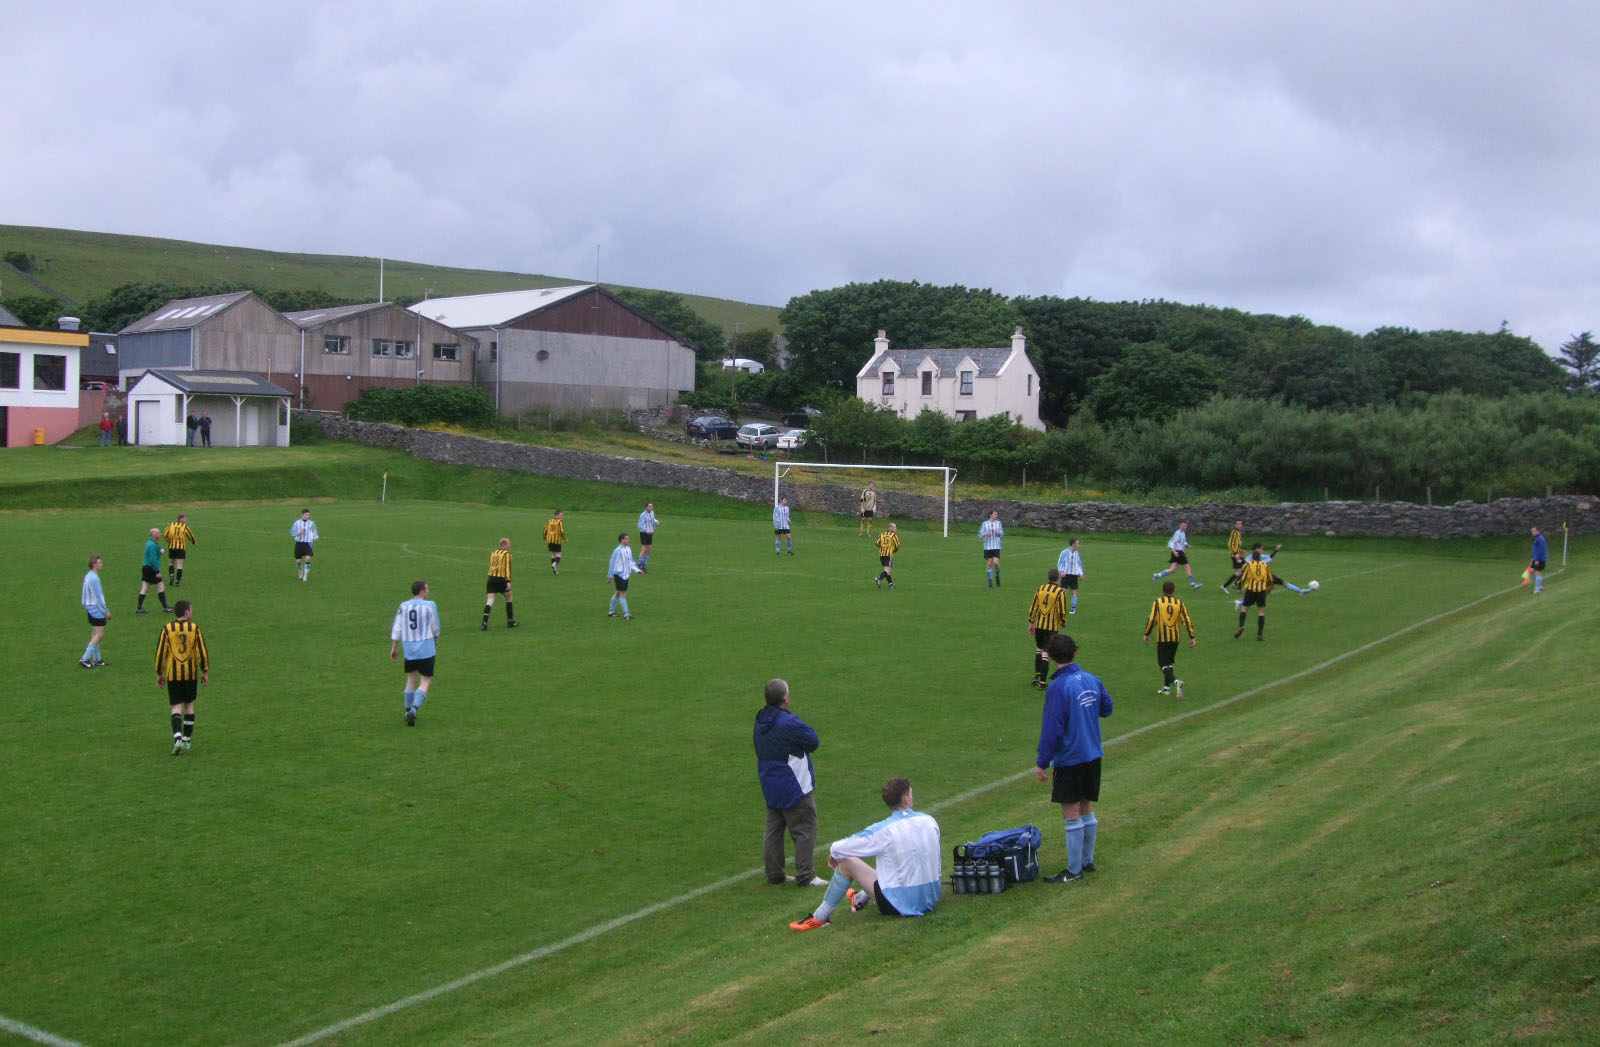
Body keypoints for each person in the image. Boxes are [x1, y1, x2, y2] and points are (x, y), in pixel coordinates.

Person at [789, 776, 942, 931]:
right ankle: (859, 899)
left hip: (900, 904)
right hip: (932, 897)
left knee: (847, 862)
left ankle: (820, 917)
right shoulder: (930, 821)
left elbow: (838, 848)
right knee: (894, 865)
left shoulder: (884, 831)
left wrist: (835, 855)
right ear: (907, 799)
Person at [1034, 633, 1113, 883]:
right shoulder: (1091, 679)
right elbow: (1107, 708)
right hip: (1093, 754)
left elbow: (1053, 727)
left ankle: (1073, 870)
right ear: (1075, 654)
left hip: (1070, 757)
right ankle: (1087, 862)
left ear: (1050, 656)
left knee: (1071, 813)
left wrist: (1042, 761)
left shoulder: (1058, 687)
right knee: (1086, 807)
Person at [754, 678, 826, 888]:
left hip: (770, 781)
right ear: (786, 698)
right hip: (793, 783)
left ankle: (774, 873)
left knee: (774, 829)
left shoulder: (760, 720)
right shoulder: (788, 722)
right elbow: (813, 741)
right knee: (805, 826)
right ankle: (806, 874)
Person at [155, 599, 209, 755]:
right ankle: (186, 739)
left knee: (176, 707)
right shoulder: (194, 629)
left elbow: (160, 654)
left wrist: (160, 674)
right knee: (189, 706)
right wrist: (205, 671)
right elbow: (202, 652)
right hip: (190, 674)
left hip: (173, 674)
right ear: (187, 612)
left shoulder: (167, 629)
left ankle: (177, 737)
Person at [390, 580, 441, 727]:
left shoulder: (403, 606)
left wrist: (394, 647)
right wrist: (436, 638)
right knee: (425, 679)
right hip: (426, 646)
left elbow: (397, 628)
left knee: (411, 678)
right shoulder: (430, 605)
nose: (428, 591)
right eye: (427, 588)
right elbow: (435, 625)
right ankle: (413, 709)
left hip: (409, 648)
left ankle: (407, 711)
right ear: (422, 591)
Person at [1144, 581, 1196, 698]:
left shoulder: (1158, 602)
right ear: (1174, 591)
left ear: (1163, 591)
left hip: (1163, 638)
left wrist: (1147, 633)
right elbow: (1186, 620)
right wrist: (1192, 637)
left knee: (1162, 663)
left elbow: (1152, 619)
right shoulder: (1179, 603)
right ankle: (1166, 688)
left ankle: (1176, 682)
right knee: (1169, 662)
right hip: (1175, 638)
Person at [1027, 568, 1068, 688]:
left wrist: (1031, 622)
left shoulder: (1040, 589)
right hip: (1051, 628)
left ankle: (1037, 675)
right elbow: (1062, 610)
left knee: (1039, 649)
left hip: (1039, 626)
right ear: (1058, 579)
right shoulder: (1060, 592)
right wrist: (1063, 622)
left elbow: (1034, 606)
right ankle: (1043, 682)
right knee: (1046, 653)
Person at [1234, 544, 1277, 640]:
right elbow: (1270, 579)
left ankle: (1241, 626)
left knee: (1244, 608)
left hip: (1250, 590)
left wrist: (1239, 587)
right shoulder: (1265, 566)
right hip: (1261, 590)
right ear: (1260, 558)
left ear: (1252, 558)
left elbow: (1243, 577)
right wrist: (1269, 589)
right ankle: (1259, 635)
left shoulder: (1248, 565)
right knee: (1261, 611)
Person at [80, 555, 111, 668]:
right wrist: (106, 611)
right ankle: (85, 658)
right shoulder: (94, 578)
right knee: (99, 634)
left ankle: (97, 659)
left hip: (90, 608)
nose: (101, 564)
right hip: (95, 609)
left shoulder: (89, 576)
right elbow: (98, 597)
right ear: (94, 565)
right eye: (99, 562)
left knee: (95, 633)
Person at [482, 538, 519, 630]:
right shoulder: (507, 554)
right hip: (501, 580)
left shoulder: (493, 553)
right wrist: (508, 581)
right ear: (505, 545)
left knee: (490, 600)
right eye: (509, 544)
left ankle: (484, 623)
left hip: (491, 579)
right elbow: (507, 568)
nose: (509, 546)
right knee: (509, 597)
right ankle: (510, 621)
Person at [1154, 520, 1202, 590]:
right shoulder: (1178, 533)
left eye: (1185, 525)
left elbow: (1182, 542)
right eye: (1182, 525)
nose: (1184, 527)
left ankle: (1157, 575)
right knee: (1188, 568)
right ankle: (1193, 585)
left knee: (1173, 570)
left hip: (1177, 552)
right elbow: (1171, 542)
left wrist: (1187, 545)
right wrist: (1174, 551)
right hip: (1179, 553)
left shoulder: (1183, 533)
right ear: (1180, 526)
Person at [136, 528, 172, 614]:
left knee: (145, 588)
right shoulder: (152, 545)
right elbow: (152, 559)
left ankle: (139, 608)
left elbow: (157, 549)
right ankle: (166, 607)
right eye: (159, 533)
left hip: (146, 567)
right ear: (154, 535)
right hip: (151, 568)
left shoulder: (151, 543)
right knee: (160, 586)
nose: (160, 534)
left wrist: (160, 551)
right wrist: (157, 571)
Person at [606, 532, 641, 619]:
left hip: (625, 575)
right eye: (627, 538)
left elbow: (631, 561)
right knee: (623, 594)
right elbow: (612, 563)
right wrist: (610, 576)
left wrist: (637, 570)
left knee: (618, 593)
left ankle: (611, 612)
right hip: (619, 575)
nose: (628, 540)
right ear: (622, 540)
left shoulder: (628, 549)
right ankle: (626, 615)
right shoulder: (617, 551)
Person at [163, 513, 198, 587]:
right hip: (181, 548)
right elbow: (190, 535)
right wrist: (194, 541)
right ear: (180, 519)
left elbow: (165, 534)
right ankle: (178, 581)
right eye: (185, 518)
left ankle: (171, 575)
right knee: (179, 565)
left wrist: (169, 541)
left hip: (172, 547)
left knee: (171, 563)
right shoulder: (185, 527)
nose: (186, 520)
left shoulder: (171, 525)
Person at [1056, 537, 1085, 615]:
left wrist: (1081, 573)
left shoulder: (1077, 553)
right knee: (1063, 592)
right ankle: (1061, 608)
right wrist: (1061, 571)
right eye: (1077, 543)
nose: (1078, 545)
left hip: (1074, 575)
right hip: (1066, 574)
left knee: (1073, 592)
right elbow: (1060, 562)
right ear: (1073, 544)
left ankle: (1073, 609)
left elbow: (1079, 564)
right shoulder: (1064, 552)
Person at [290, 509, 318, 581]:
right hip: (299, 543)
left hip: (308, 543)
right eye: (307, 514)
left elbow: (314, 530)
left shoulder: (312, 523)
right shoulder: (296, 523)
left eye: (309, 514)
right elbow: (292, 532)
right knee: (298, 561)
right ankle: (301, 570)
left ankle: (305, 575)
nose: (308, 516)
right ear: (302, 515)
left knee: (308, 558)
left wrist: (315, 537)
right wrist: (298, 533)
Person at [1219, 519, 1245, 593]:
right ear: (1235, 525)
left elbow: (1236, 545)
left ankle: (1236, 584)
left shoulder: (1238, 533)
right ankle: (1225, 586)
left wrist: (1241, 550)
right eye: (1238, 524)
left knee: (1245, 567)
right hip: (1236, 556)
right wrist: (1236, 553)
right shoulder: (1234, 532)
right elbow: (1230, 544)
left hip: (1238, 555)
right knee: (1239, 572)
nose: (1240, 525)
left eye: (1241, 524)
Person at [980, 510, 1004, 587]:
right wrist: (985, 534)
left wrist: (999, 533)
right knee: (990, 563)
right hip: (987, 547)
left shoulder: (999, 523)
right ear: (990, 515)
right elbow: (980, 534)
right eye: (995, 514)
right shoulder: (985, 524)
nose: (996, 515)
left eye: (997, 514)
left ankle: (997, 576)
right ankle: (990, 581)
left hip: (997, 546)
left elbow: (1002, 533)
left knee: (996, 562)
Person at [873, 522, 900, 589]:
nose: (896, 529)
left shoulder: (882, 534)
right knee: (887, 570)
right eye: (895, 527)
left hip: (882, 555)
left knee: (887, 570)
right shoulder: (893, 535)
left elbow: (877, 543)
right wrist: (894, 550)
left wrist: (883, 547)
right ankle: (879, 578)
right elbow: (897, 545)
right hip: (888, 555)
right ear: (891, 528)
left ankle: (890, 584)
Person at [636, 502, 658, 571]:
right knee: (644, 548)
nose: (652, 507)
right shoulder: (642, 515)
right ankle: (639, 564)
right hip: (644, 533)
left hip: (650, 532)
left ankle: (644, 564)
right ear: (646, 507)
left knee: (649, 549)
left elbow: (652, 519)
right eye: (650, 506)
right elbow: (639, 525)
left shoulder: (652, 513)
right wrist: (645, 530)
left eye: (652, 506)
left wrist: (656, 521)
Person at [543, 510, 566, 574]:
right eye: (561, 515)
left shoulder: (549, 521)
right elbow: (561, 531)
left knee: (553, 554)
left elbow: (545, 529)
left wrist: (545, 537)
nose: (562, 517)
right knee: (558, 554)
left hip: (549, 540)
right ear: (557, 515)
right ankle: (554, 564)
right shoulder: (560, 521)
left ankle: (554, 570)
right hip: (557, 541)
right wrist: (565, 538)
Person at [1526, 526, 1548, 593]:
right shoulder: (1537, 538)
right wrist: (1533, 557)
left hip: (1539, 559)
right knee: (1531, 571)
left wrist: (1537, 560)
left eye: (1534, 531)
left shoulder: (1540, 539)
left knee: (1537, 572)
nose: (1532, 532)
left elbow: (1541, 550)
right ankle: (1540, 586)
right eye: (1532, 531)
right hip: (1536, 558)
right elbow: (1536, 549)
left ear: (1538, 531)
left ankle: (1538, 589)